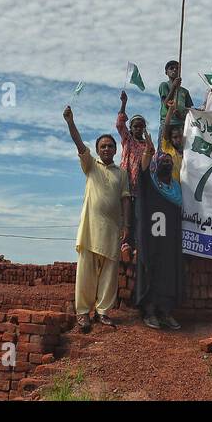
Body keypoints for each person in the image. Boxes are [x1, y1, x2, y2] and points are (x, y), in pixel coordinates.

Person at [63, 106, 131, 333]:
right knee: (86, 273)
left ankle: (102, 312)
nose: (107, 149)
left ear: (115, 149)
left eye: (110, 146)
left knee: (110, 274)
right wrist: (70, 122)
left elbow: (125, 200)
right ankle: (83, 312)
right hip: (90, 229)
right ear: (97, 150)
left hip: (113, 228)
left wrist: (126, 225)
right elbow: (78, 143)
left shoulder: (121, 173)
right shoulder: (90, 165)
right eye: (103, 146)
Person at [132, 152, 185, 330]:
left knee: (169, 275)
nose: (167, 164)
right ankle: (150, 312)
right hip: (151, 240)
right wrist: (147, 151)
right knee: (151, 273)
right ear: (156, 164)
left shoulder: (177, 189)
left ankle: (166, 313)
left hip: (170, 241)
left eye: (169, 161)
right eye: (163, 161)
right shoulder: (151, 184)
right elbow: (143, 171)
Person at [115, 91, 155, 196]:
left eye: (141, 126)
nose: (138, 129)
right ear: (130, 128)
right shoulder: (127, 139)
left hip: (141, 186)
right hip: (125, 183)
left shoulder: (147, 144)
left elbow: (152, 160)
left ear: (144, 128)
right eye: (135, 126)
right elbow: (120, 123)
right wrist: (124, 103)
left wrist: (149, 144)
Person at [157, 60, 192, 134]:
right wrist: (174, 87)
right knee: (164, 145)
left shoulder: (185, 91)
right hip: (167, 124)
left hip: (181, 125)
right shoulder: (164, 85)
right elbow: (166, 104)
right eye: (171, 68)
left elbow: (189, 110)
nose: (175, 70)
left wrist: (181, 116)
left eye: (177, 68)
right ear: (166, 72)